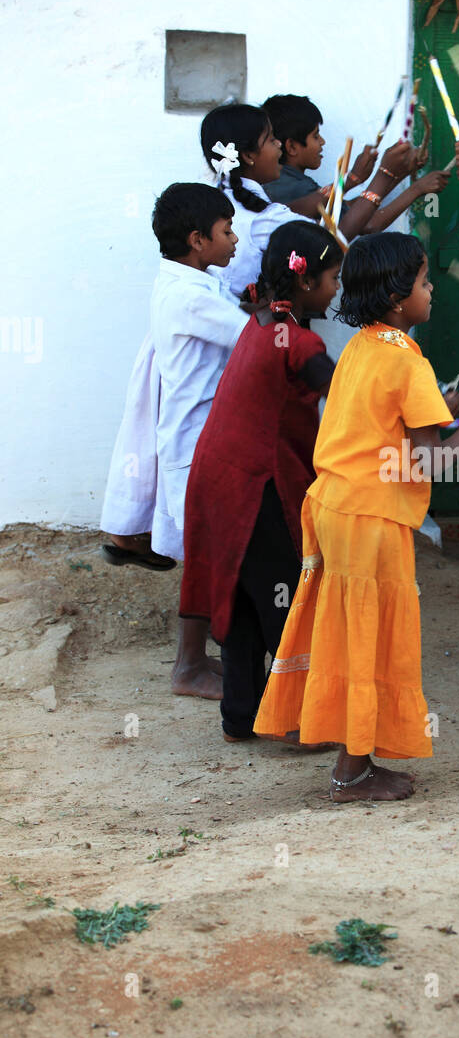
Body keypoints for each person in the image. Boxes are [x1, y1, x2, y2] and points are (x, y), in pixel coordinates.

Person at [253, 232, 459, 803]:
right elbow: (430, 458)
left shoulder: (364, 345)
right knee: (368, 637)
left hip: (336, 506)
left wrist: (451, 409)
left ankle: (348, 753)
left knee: (342, 630)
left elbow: (388, 425)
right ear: (396, 299)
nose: (431, 290)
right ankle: (352, 769)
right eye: (423, 281)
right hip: (372, 517)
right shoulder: (407, 359)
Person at [180, 221, 341, 742]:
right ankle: (300, 724)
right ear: (307, 280)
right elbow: (345, 398)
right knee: (284, 600)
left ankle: (240, 717)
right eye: (333, 277)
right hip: (254, 486)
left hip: (219, 479)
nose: (337, 289)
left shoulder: (261, 322)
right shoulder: (298, 341)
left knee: (245, 597)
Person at [146, 183, 247, 697]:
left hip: (204, 443)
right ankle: (189, 666)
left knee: (207, 557)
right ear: (196, 240)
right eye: (226, 231)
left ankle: (199, 660)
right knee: (206, 559)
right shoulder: (189, 297)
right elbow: (249, 337)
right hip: (196, 447)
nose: (234, 240)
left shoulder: (196, 283)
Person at [201, 105, 417, 300]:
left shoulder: (218, 200)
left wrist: (353, 180)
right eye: (271, 139)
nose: (279, 146)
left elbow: (313, 212)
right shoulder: (265, 217)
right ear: (249, 155)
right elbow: (329, 245)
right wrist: (385, 174)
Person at [262, 91, 450, 233]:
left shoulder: (294, 182)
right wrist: (415, 188)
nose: (322, 142)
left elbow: (351, 210)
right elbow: (367, 223)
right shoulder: (288, 187)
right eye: (316, 136)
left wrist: (398, 173)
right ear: (292, 147)